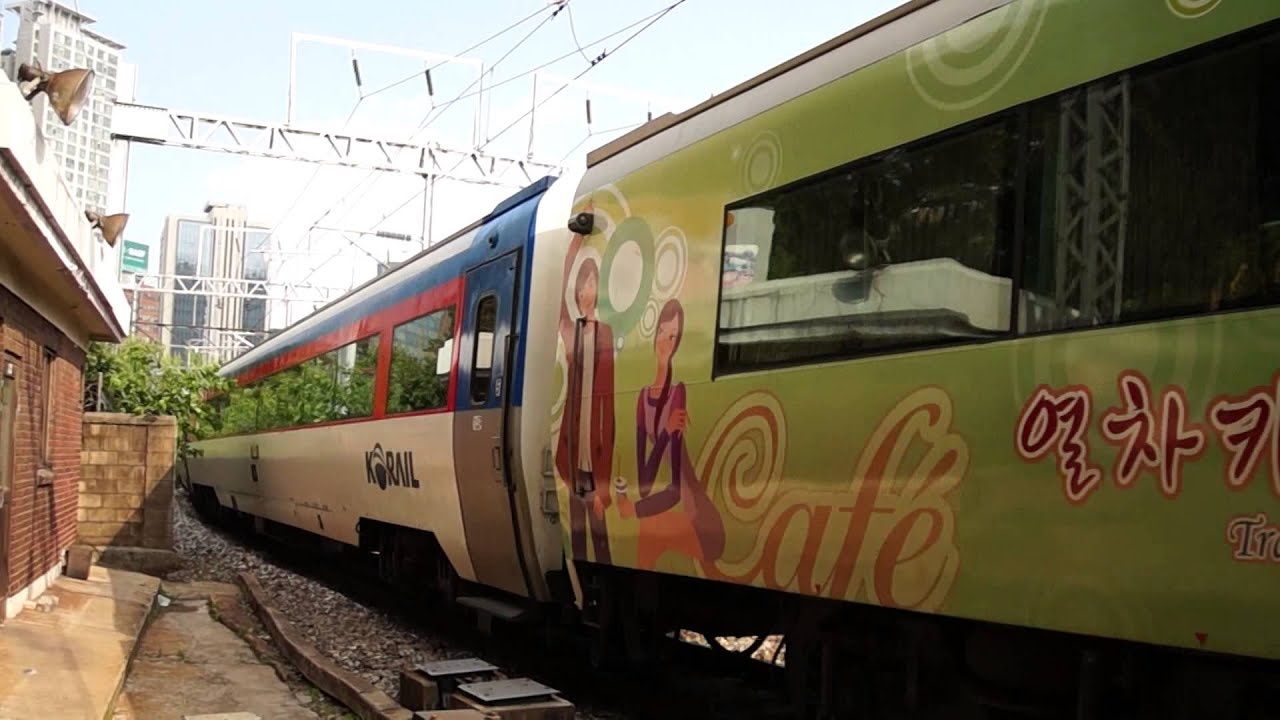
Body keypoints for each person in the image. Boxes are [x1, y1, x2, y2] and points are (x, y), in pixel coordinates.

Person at [618, 298, 725, 570]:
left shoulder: (678, 393)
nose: (666, 341)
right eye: (662, 332)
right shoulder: (642, 399)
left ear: (678, 344)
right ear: (654, 336)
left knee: (647, 530)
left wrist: (635, 511)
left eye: (673, 336)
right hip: (680, 515)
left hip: (702, 520)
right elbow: (645, 479)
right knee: (647, 533)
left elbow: (676, 491)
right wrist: (665, 432)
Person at [555, 223, 615, 563]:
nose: (583, 290)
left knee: (601, 538)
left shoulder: (605, 335)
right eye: (580, 284)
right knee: (577, 541)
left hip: (595, 456)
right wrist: (576, 241)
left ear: (598, 289)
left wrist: (605, 479)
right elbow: (561, 306)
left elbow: (610, 410)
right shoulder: (570, 332)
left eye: (589, 283)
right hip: (571, 450)